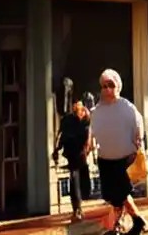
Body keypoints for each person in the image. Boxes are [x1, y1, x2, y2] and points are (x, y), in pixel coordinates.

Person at [90, 69, 147, 235]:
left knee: (121, 193)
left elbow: (139, 127)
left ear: (118, 86)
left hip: (124, 157)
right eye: (104, 86)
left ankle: (120, 225)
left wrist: (139, 143)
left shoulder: (127, 107)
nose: (107, 89)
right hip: (105, 158)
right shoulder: (98, 110)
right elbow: (92, 132)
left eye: (111, 85)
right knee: (114, 195)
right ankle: (136, 221)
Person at [53, 93, 95, 222]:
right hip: (73, 153)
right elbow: (60, 135)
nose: (76, 107)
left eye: (79, 105)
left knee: (82, 181)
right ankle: (76, 209)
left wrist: (87, 149)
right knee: (75, 179)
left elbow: (89, 134)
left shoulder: (86, 118)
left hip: (81, 153)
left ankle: (78, 207)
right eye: (75, 105)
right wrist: (57, 149)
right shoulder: (67, 119)